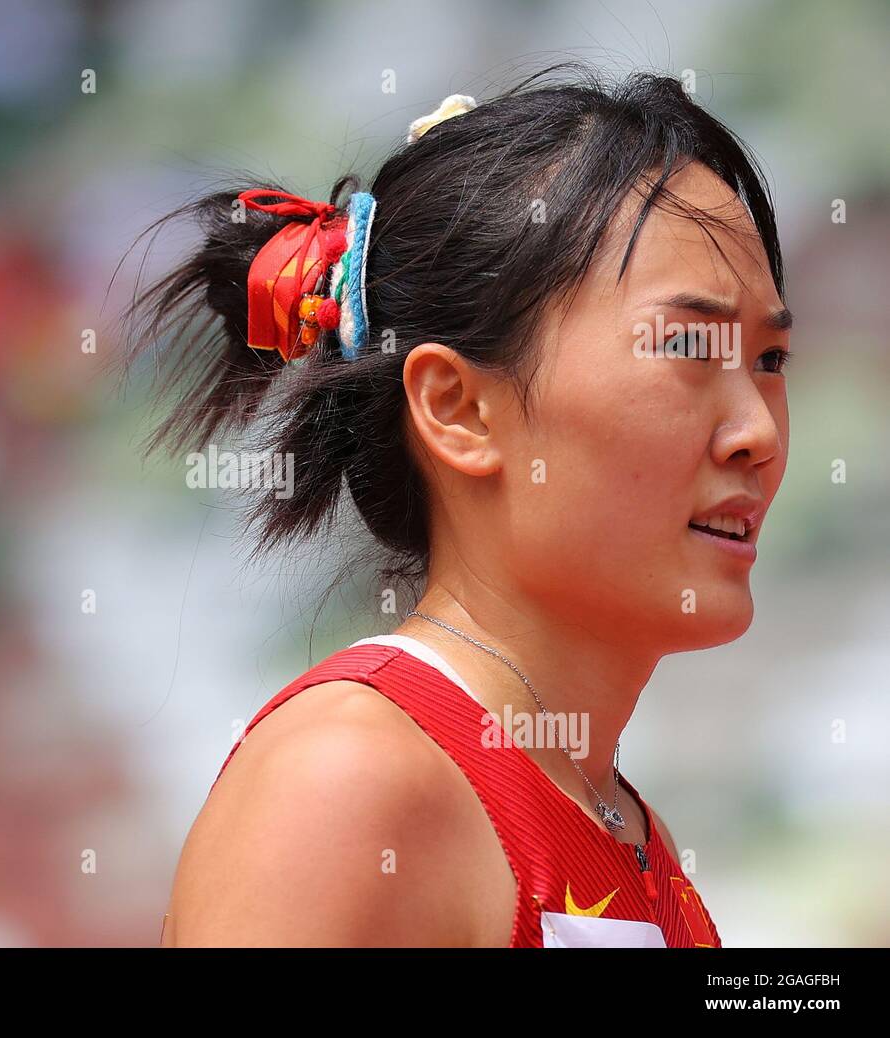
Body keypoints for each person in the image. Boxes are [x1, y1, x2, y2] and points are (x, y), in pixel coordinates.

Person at [124, 64, 790, 947]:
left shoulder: (622, 826)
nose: (758, 432)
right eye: (689, 348)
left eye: (771, 363)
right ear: (458, 408)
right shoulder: (349, 782)